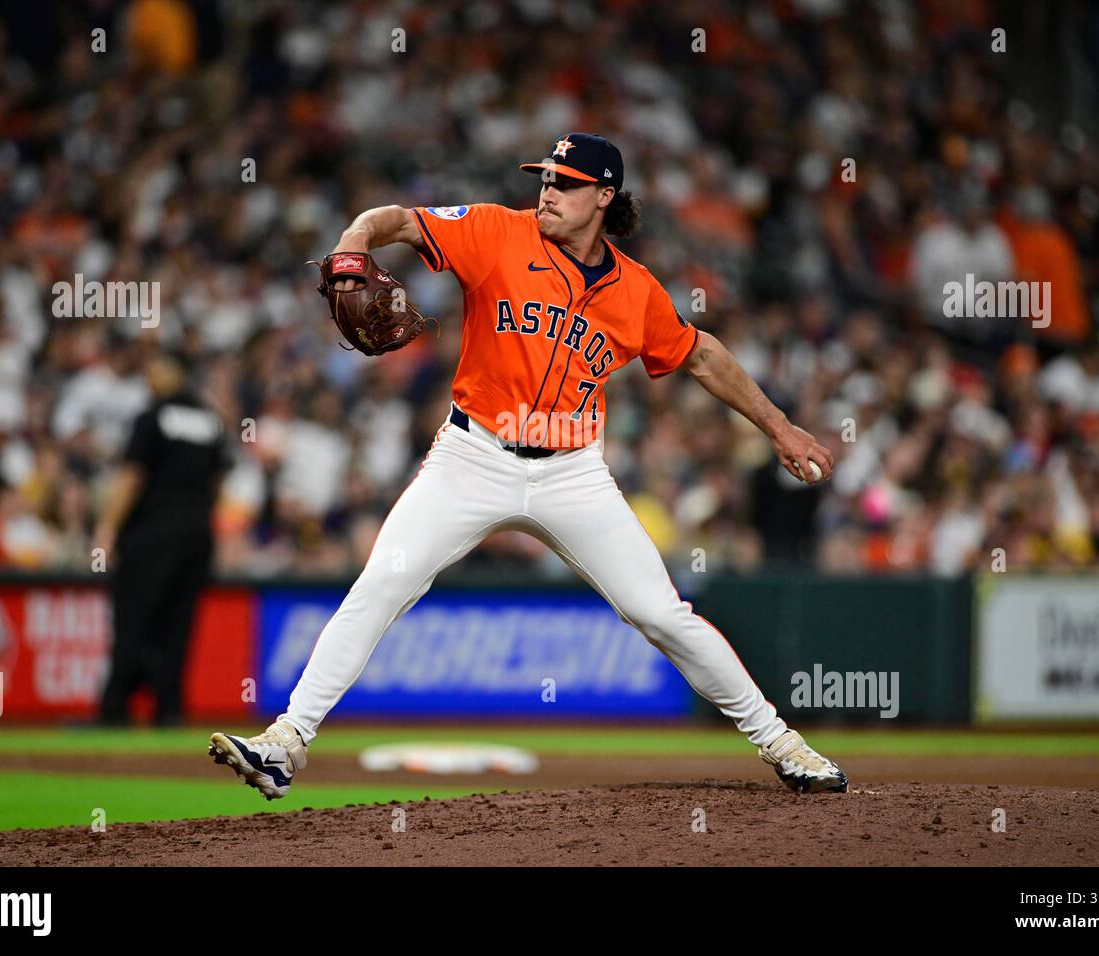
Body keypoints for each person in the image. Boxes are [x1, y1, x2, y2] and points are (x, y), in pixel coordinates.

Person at [209, 133, 848, 796]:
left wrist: (780, 427)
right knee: (385, 580)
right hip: (473, 454)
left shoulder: (636, 291)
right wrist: (352, 242)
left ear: (603, 197)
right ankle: (285, 741)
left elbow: (702, 355)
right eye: (545, 178)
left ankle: (783, 743)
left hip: (572, 471)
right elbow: (394, 220)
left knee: (660, 614)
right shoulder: (494, 231)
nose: (548, 190)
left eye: (566, 183)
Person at [96, 349, 227, 726]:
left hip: (151, 534)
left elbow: (131, 478)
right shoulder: (210, 421)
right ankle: (168, 707)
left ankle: (115, 708)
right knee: (178, 622)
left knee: (133, 618)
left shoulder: (152, 417)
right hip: (197, 536)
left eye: (156, 367)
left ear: (174, 372)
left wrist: (107, 528)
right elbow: (217, 483)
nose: (149, 375)